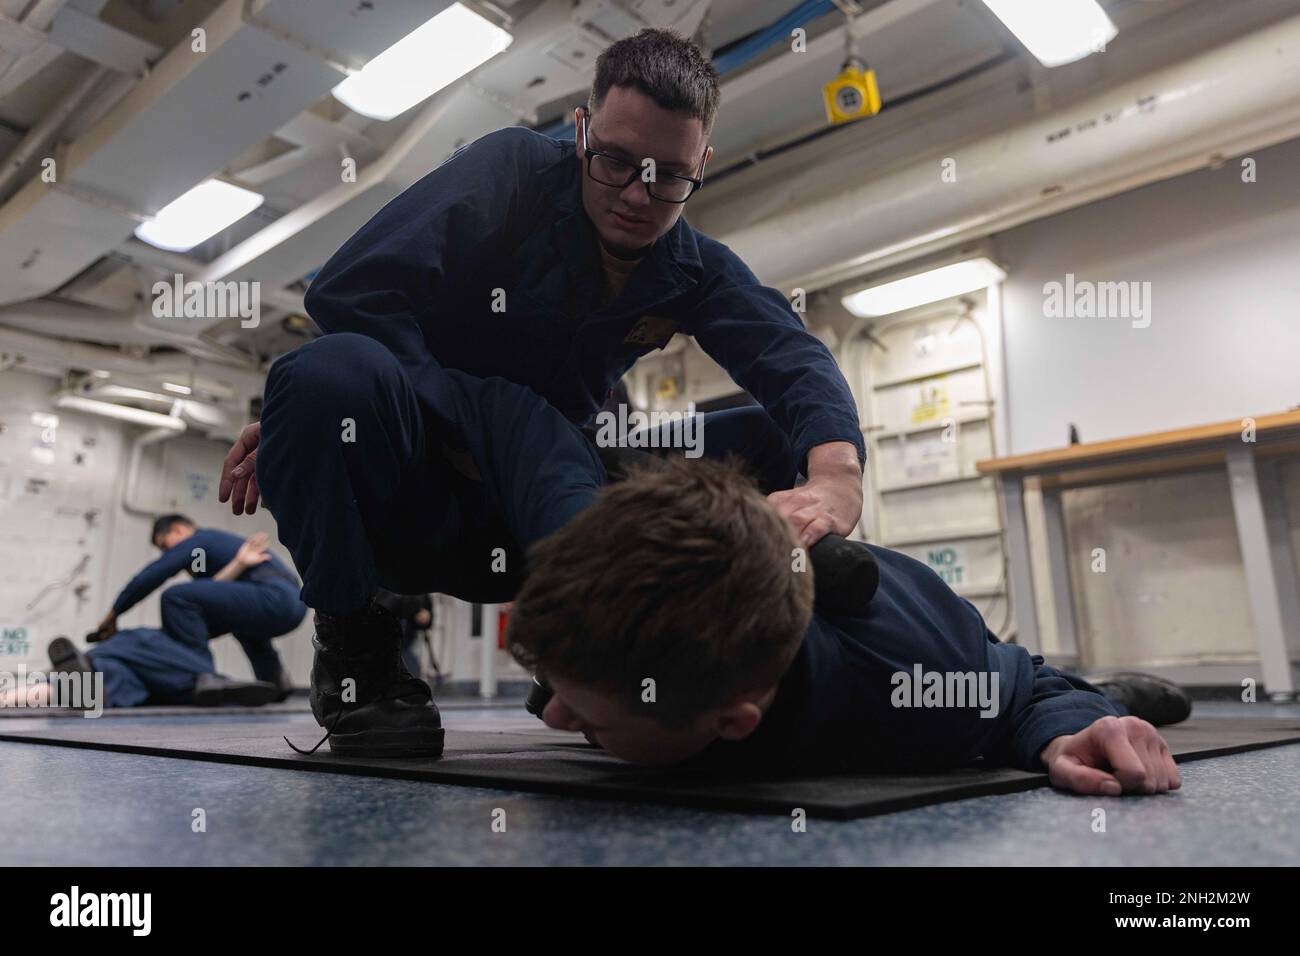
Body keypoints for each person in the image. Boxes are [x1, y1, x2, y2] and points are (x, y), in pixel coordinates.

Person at [220, 28, 879, 755]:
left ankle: (698, 645)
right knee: (322, 377)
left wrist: (834, 476)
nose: (636, 195)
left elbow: (787, 355)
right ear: (581, 129)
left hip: (554, 510)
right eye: (617, 161)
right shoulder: (510, 169)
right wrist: (336, 424)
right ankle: (359, 651)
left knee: (771, 433)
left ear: (703, 166)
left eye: (667, 174)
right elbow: (352, 291)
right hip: (417, 494)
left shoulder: (695, 267)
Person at [95, 517, 306, 699]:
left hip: (274, 596)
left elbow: (155, 573)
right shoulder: (209, 553)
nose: (165, 551)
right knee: (242, 629)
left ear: (178, 529)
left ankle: (200, 674)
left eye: (164, 545)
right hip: (290, 604)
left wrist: (115, 612)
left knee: (176, 596)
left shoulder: (199, 540)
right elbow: (213, 591)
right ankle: (276, 681)